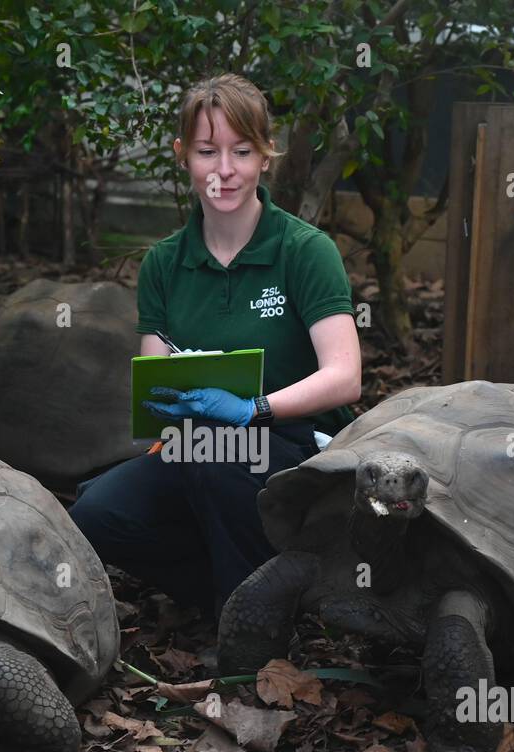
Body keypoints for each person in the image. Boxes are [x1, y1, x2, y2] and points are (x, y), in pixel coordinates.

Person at [69, 73, 361, 624]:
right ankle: (244, 596)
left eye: (241, 152)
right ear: (183, 155)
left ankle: (248, 634)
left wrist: (253, 409)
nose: (224, 171)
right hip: (197, 444)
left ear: (265, 157)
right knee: (96, 511)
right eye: (207, 152)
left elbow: (345, 377)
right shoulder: (163, 263)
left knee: (218, 461)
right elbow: (156, 381)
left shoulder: (304, 250)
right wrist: (166, 418)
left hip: (296, 445)